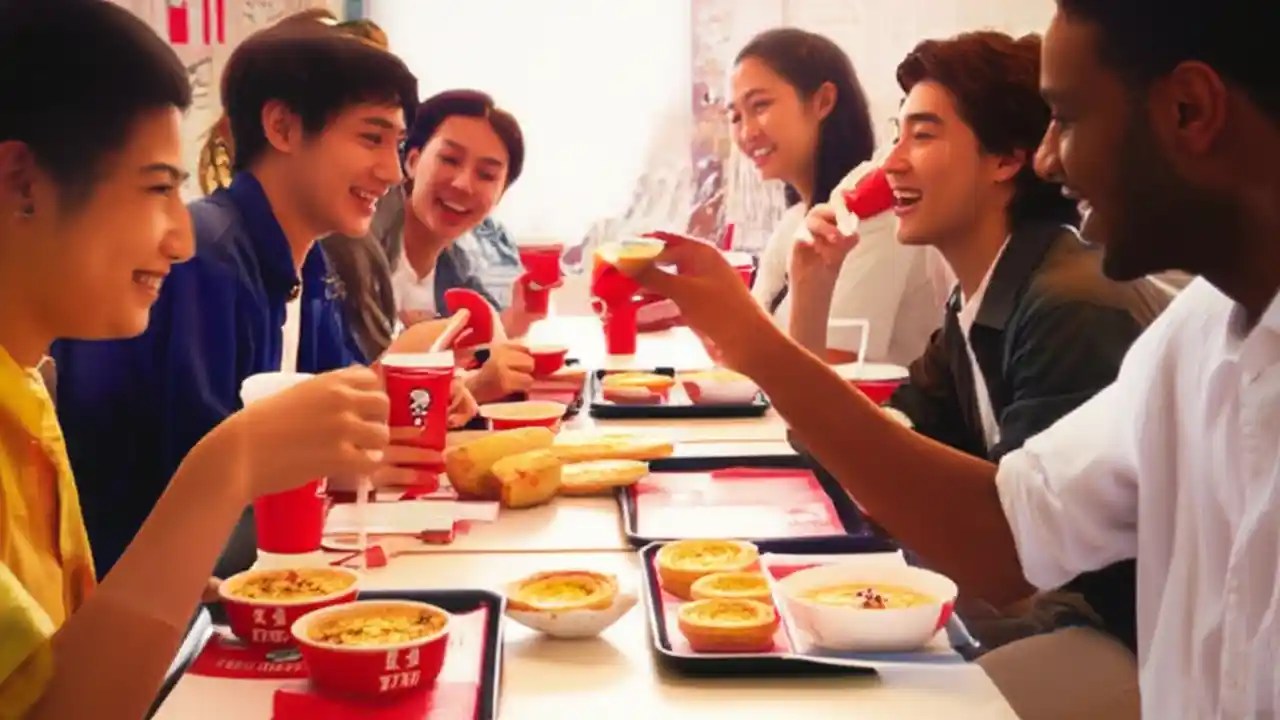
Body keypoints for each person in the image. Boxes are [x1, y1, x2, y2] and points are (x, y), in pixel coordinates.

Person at [632, 0, 1279, 717]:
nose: (1048, 156)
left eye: (1067, 119)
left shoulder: (1077, 304)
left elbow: (1028, 575)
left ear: (1189, 111)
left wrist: (759, 347)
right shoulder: (1189, 336)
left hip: (1096, 633)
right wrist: (765, 342)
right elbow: (1001, 526)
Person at [0, 3, 391, 717]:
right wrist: (227, 465)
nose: (179, 237)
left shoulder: (21, 394)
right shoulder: (216, 256)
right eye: (156, 189)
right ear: (23, 183)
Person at [51, 20, 475, 576]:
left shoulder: (310, 260)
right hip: (158, 602)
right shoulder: (206, 256)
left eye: (398, 145)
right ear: (282, 127)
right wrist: (354, 462)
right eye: (371, 138)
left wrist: (405, 406)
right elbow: (206, 476)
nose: (393, 172)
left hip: (240, 575)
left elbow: (336, 412)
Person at [803, 31, 1169, 653]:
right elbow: (882, 456)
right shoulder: (979, 300)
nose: (891, 162)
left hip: (1127, 645)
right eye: (896, 135)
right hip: (1057, 619)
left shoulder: (1069, 305)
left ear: (1007, 160)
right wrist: (813, 288)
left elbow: (1028, 561)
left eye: (922, 135)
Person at [733, 28, 946, 365]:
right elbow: (745, 350)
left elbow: (834, 370)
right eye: (735, 116)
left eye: (760, 106)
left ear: (823, 101)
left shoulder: (871, 213)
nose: (746, 132)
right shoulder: (795, 222)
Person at [368, 89, 546, 403]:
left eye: (487, 175)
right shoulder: (353, 254)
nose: (463, 184)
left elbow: (473, 354)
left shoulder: (460, 268)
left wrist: (517, 320)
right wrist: (474, 388)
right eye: (449, 159)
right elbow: (357, 393)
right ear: (411, 160)